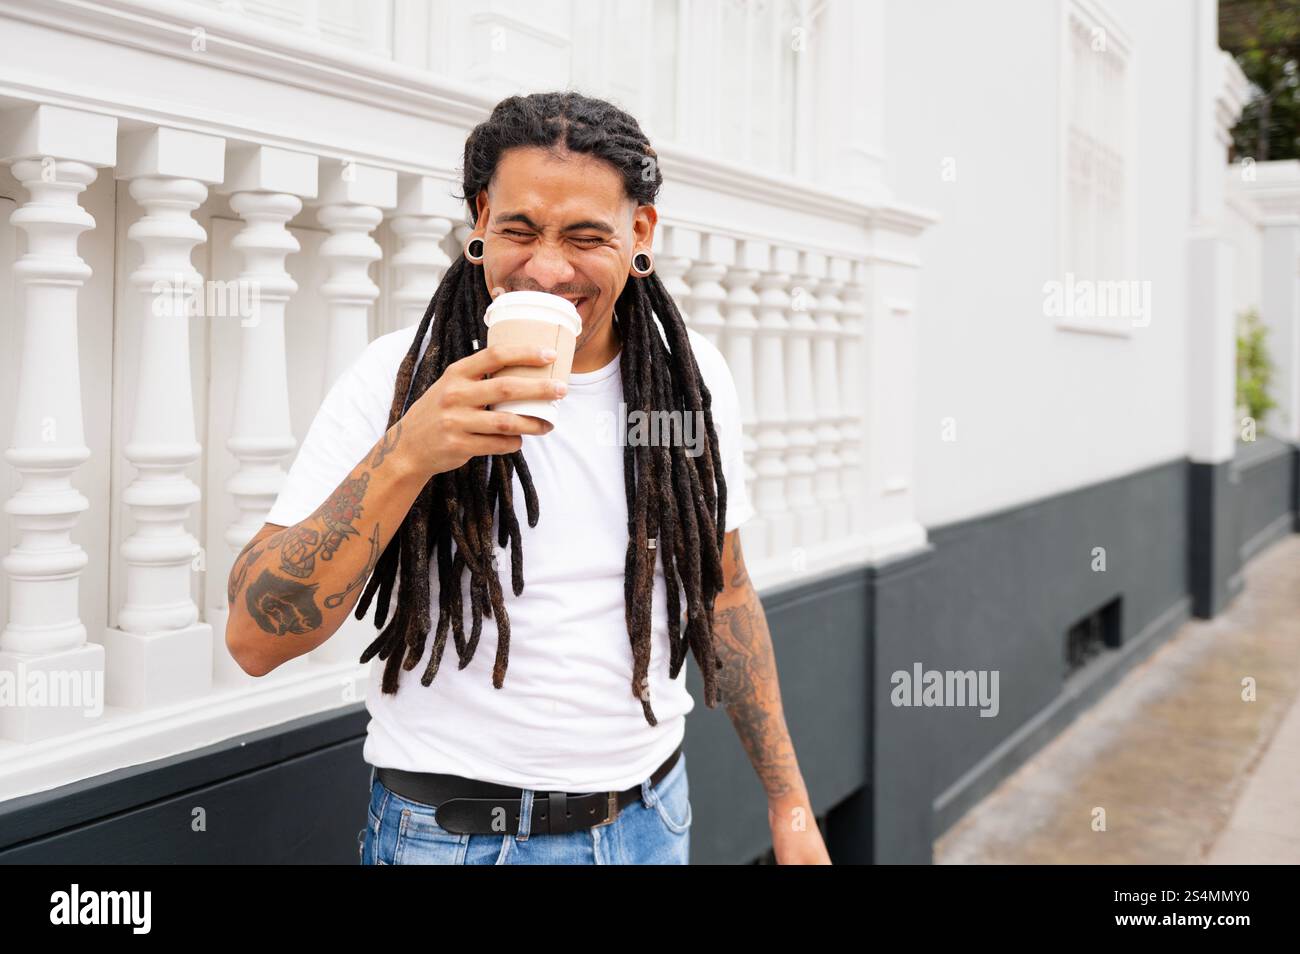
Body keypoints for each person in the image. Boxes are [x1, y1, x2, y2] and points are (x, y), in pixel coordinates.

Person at [225, 91, 831, 865]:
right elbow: (253, 638)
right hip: (454, 841)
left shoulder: (687, 381)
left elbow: (727, 591)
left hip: (650, 822)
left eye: (585, 236)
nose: (546, 268)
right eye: (519, 229)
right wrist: (408, 453)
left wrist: (789, 804)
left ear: (639, 232)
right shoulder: (395, 381)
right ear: (481, 219)